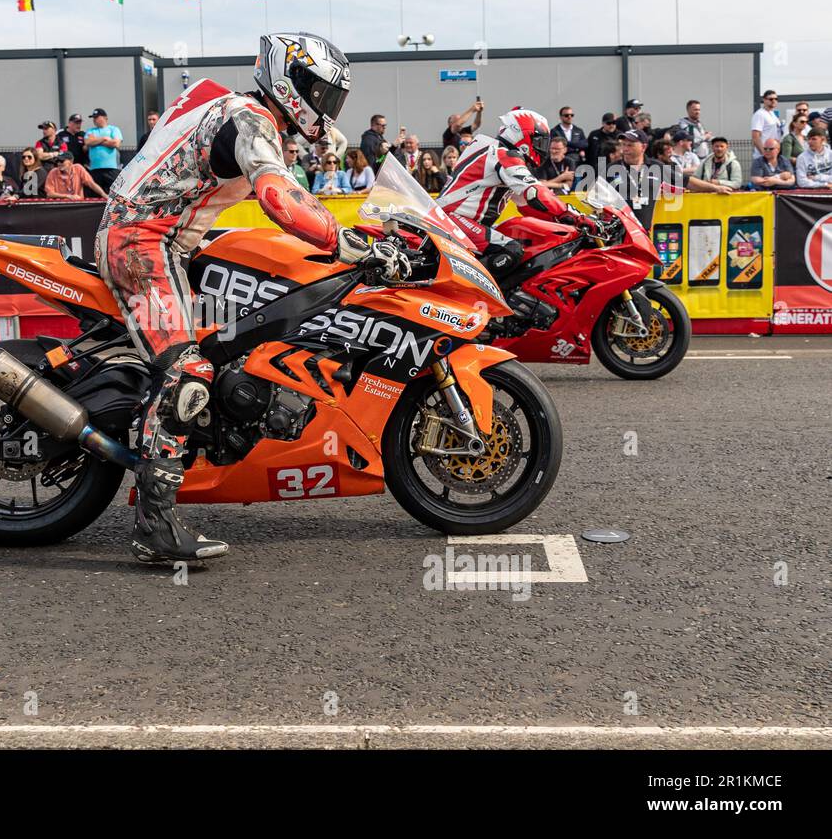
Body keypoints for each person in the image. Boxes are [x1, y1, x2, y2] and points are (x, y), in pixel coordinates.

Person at [96, 31, 394, 566]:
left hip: (171, 238)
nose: (325, 108)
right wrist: (345, 240)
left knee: (228, 339)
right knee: (188, 373)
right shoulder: (250, 121)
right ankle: (153, 525)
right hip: (141, 239)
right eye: (318, 93)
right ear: (288, 81)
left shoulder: (242, 111)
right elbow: (279, 197)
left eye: (331, 99)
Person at [439, 107, 589, 280]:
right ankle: (482, 297)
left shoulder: (495, 152)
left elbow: (526, 204)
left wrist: (564, 225)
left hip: (456, 220)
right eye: (538, 142)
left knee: (516, 239)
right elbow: (534, 192)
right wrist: (574, 215)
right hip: (453, 220)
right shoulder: (502, 154)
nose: (541, 148)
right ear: (521, 136)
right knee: (511, 250)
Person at [84, 108, 124, 192]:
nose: (94, 120)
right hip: (95, 168)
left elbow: (116, 144)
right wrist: (104, 138)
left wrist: (96, 141)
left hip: (112, 168)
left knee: (115, 193)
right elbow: (88, 142)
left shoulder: (113, 129)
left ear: (105, 118)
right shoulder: (90, 131)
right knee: (95, 194)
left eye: (96, 117)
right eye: (93, 118)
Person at [751, 90, 783, 159]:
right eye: (771, 99)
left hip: (774, 155)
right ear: (764, 100)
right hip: (763, 157)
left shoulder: (773, 114)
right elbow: (755, 136)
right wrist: (764, 154)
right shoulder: (760, 114)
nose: (773, 101)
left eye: (776, 99)